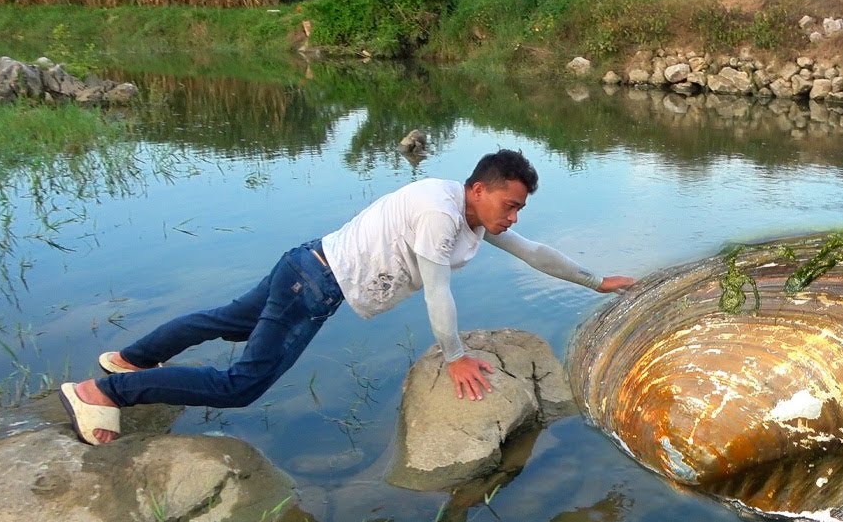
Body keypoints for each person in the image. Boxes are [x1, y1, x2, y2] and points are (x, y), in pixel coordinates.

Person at [59, 150, 636, 445]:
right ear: (479, 189)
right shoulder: (440, 215)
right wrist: (455, 354)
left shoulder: (471, 213)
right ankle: (101, 391)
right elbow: (438, 292)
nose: (512, 216)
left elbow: (535, 253)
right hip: (312, 283)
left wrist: (596, 280)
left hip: (307, 264)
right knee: (242, 386)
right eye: (509, 204)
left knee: (229, 321)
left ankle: (129, 357)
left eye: (518, 209)